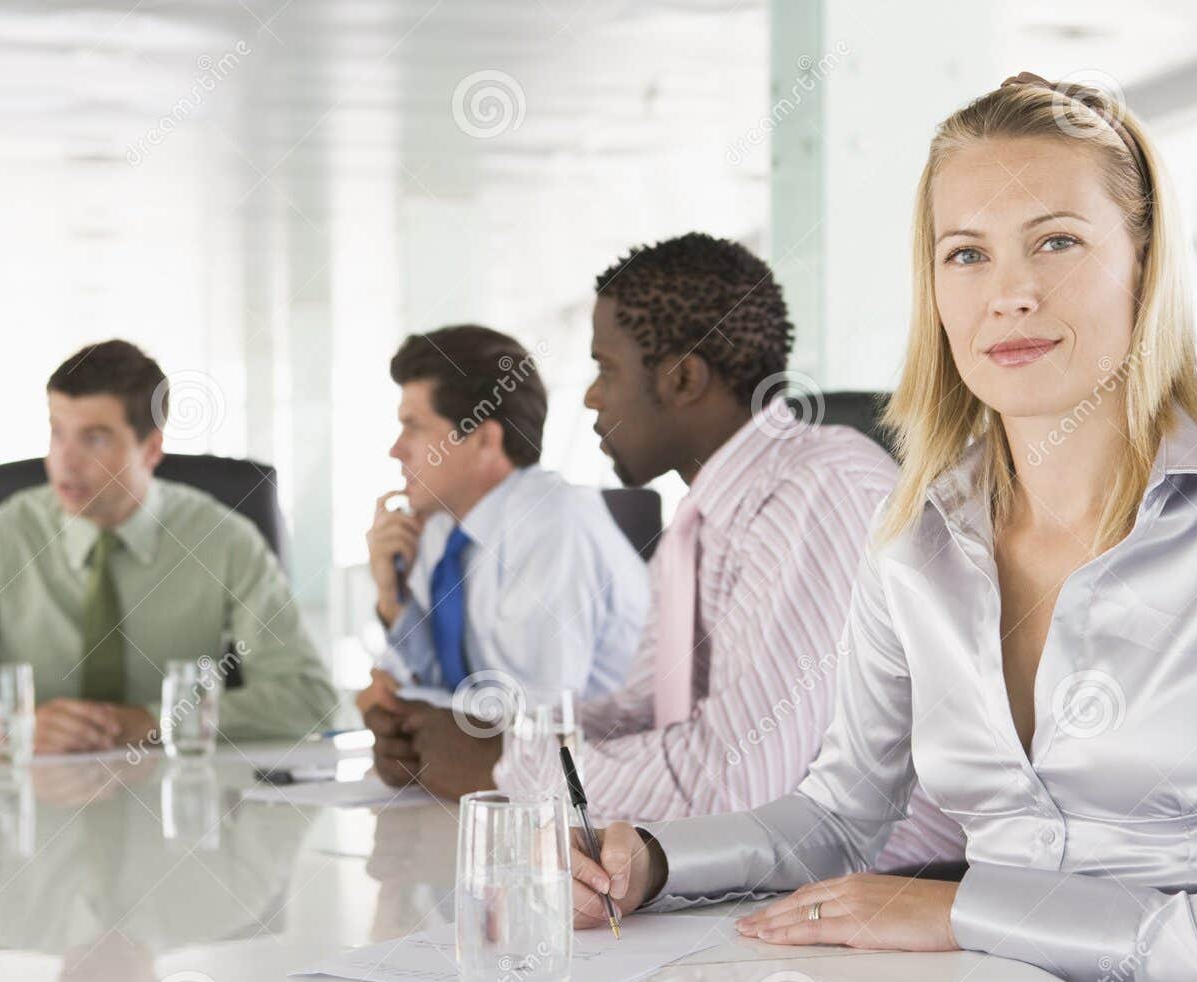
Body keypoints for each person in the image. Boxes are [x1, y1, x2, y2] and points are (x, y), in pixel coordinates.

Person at [568, 77, 1197, 982]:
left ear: (1143, 261)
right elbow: (839, 811)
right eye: (965, 253)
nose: (1009, 292)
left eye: (1056, 241)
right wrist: (658, 857)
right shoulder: (912, 538)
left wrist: (967, 910)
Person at [388, 234, 910, 827]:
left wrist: (505, 767)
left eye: (605, 368)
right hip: (758, 886)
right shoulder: (700, 521)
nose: (589, 397)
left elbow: (743, 780)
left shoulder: (816, 490)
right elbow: (647, 711)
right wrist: (480, 737)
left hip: (880, 891)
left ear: (683, 381)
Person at [0, 339, 340, 753]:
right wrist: (6, 727)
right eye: (57, 432)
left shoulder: (226, 541)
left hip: (181, 811)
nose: (65, 460)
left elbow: (309, 698)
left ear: (151, 449)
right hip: (33, 822)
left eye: (95, 438)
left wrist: (159, 721)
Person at [355, 325, 649, 783]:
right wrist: (392, 601)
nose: (396, 449)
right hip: (490, 795)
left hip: (598, 803)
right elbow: (404, 691)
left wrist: (408, 710)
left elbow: (529, 717)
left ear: (484, 440)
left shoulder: (554, 522)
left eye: (413, 426)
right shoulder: (436, 531)